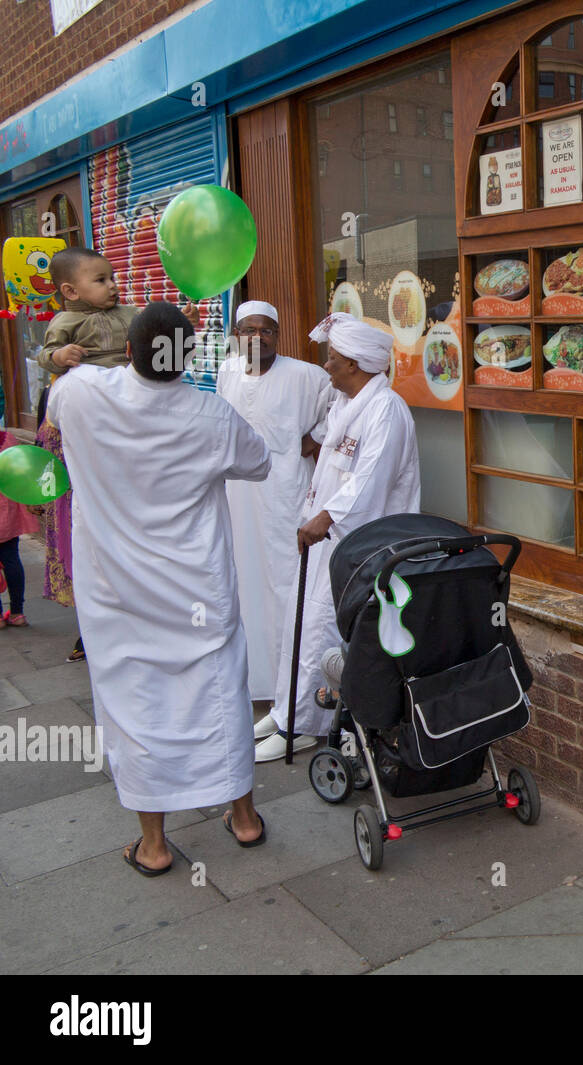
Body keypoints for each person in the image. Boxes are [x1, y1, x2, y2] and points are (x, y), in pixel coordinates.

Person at [46, 302, 272, 875]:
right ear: (190, 357)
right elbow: (260, 463)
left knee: (134, 709)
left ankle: (154, 845)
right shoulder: (211, 415)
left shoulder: (81, 394)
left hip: (118, 596)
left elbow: (55, 401)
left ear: (126, 352)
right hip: (198, 592)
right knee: (221, 697)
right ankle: (243, 818)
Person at [254, 312, 420, 761]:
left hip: (357, 545)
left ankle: (308, 723)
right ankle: (287, 707)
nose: (326, 367)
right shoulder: (346, 404)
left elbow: (371, 482)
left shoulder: (386, 410)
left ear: (357, 365)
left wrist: (324, 518)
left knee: (325, 630)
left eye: (333, 359)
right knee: (302, 620)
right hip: (326, 541)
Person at [36, 247, 199, 662]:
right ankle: (93, 622)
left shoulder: (130, 316)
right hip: (90, 427)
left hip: (134, 417)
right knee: (90, 524)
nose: (113, 285)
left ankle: (149, 613)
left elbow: (157, 345)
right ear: (70, 290)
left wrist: (183, 328)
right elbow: (44, 356)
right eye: (102, 280)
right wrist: (58, 357)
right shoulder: (65, 323)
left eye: (112, 277)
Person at [216, 301, 332, 702]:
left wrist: (311, 441)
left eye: (266, 330)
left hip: (285, 493)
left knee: (286, 582)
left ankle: (290, 690)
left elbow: (337, 409)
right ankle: (253, 683)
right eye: (248, 330)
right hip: (237, 496)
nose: (257, 337)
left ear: (278, 336)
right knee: (243, 582)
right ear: (236, 336)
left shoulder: (306, 375)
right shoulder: (227, 372)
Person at [0, 430, 41, 627]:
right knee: (11, 559)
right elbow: (22, 472)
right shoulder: (7, 439)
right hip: (7, 510)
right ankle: (17, 613)